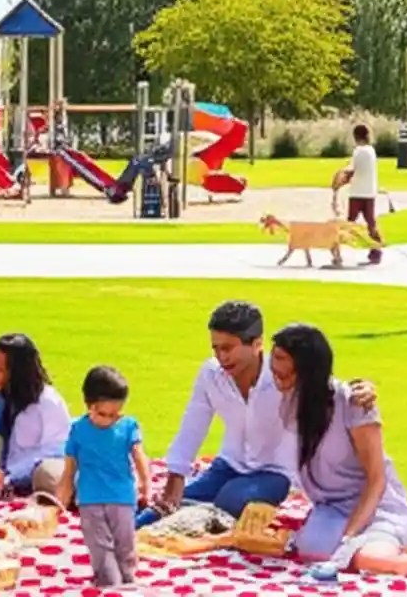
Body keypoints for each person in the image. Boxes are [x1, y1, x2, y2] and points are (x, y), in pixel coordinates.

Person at [150, 300, 377, 524]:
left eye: (228, 348)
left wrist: (363, 387)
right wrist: (175, 477)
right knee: (165, 508)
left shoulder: (282, 375)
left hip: (277, 473)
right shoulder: (210, 375)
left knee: (230, 501)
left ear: (257, 344)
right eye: (216, 348)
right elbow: (192, 427)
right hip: (228, 464)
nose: (221, 357)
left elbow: (323, 385)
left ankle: (204, 517)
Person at [269, 324, 407, 576]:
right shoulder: (288, 398)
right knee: (311, 551)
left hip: (376, 508)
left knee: (371, 559)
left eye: (281, 359)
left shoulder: (353, 404)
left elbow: (377, 479)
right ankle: (384, 549)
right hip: (331, 508)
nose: (273, 368)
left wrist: (349, 536)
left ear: (306, 367)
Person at [54, 366, 151, 588]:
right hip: (90, 499)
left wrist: (146, 484)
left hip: (122, 497)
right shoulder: (78, 430)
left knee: (125, 543)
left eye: (115, 414)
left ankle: (126, 577)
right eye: (103, 414)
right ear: (89, 406)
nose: (109, 420)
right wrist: (59, 500)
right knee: (99, 546)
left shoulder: (128, 427)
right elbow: (69, 470)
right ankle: (109, 583)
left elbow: (139, 456)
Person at [0, 333, 70, 499]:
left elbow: (55, 450)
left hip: (42, 472)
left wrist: (11, 475)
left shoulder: (47, 403)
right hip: (5, 476)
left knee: (46, 475)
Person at [333, 124, 383, 265]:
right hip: (369, 192)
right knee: (371, 223)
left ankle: (336, 251)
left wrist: (339, 182)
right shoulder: (371, 151)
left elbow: (351, 172)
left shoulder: (358, 151)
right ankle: (376, 250)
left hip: (357, 193)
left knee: (349, 223)